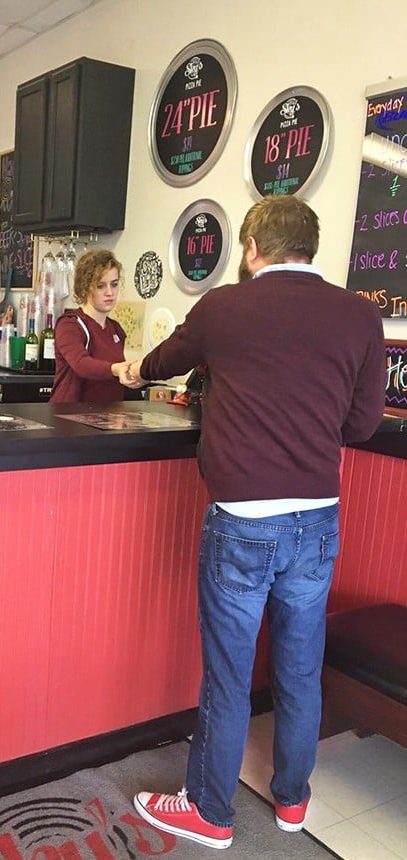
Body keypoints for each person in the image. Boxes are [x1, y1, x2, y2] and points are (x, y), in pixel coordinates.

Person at [128, 195, 385, 850]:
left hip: (242, 523)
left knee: (228, 671)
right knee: (301, 668)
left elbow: (162, 363)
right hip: (317, 521)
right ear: (312, 247)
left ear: (251, 248)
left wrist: (133, 368)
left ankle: (211, 812)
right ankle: (294, 801)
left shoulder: (223, 307)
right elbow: (361, 424)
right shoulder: (359, 315)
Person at [49, 249, 132, 403]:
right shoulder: (70, 325)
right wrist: (116, 369)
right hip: (69, 419)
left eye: (114, 285)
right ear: (85, 287)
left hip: (107, 418)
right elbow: (81, 364)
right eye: (101, 286)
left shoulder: (116, 330)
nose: (109, 293)